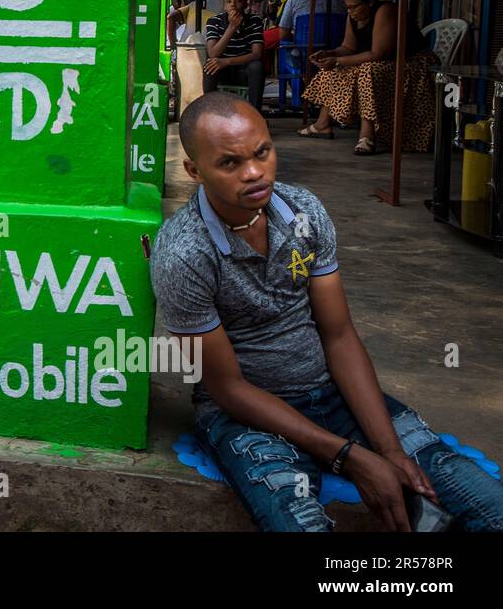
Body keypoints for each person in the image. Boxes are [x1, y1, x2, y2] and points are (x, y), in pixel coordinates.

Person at [150, 93, 503, 532]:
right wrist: (348, 456)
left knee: (480, 499)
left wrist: (389, 450)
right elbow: (227, 387)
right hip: (247, 417)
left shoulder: (304, 213)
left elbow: (339, 336)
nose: (255, 172)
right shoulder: (183, 254)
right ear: (194, 171)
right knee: (299, 524)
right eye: (230, 163)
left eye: (263, 152)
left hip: (333, 395)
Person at [298, 0, 435, 154]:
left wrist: (338, 60)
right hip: (379, 62)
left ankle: (367, 135)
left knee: (367, 72)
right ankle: (322, 124)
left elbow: (378, 53)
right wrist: (330, 53)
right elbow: (348, 48)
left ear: (370, 2)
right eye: (347, 8)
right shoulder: (353, 17)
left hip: (412, 64)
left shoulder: (385, 11)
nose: (351, 12)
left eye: (354, 7)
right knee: (333, 69)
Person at [203, 0, 265, 110]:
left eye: (238, 1)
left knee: (257, 66)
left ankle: (255, 113)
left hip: (243, 69)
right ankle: (208, 111)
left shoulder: (254, 20)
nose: (233, 4)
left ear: (245, 4)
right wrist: (232, 28)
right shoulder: (214, 21)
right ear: (224, 6)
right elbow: (213, 53)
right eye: (229, 1)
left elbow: (257, 53)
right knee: (209, 65)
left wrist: (227, 61)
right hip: (222, 71)